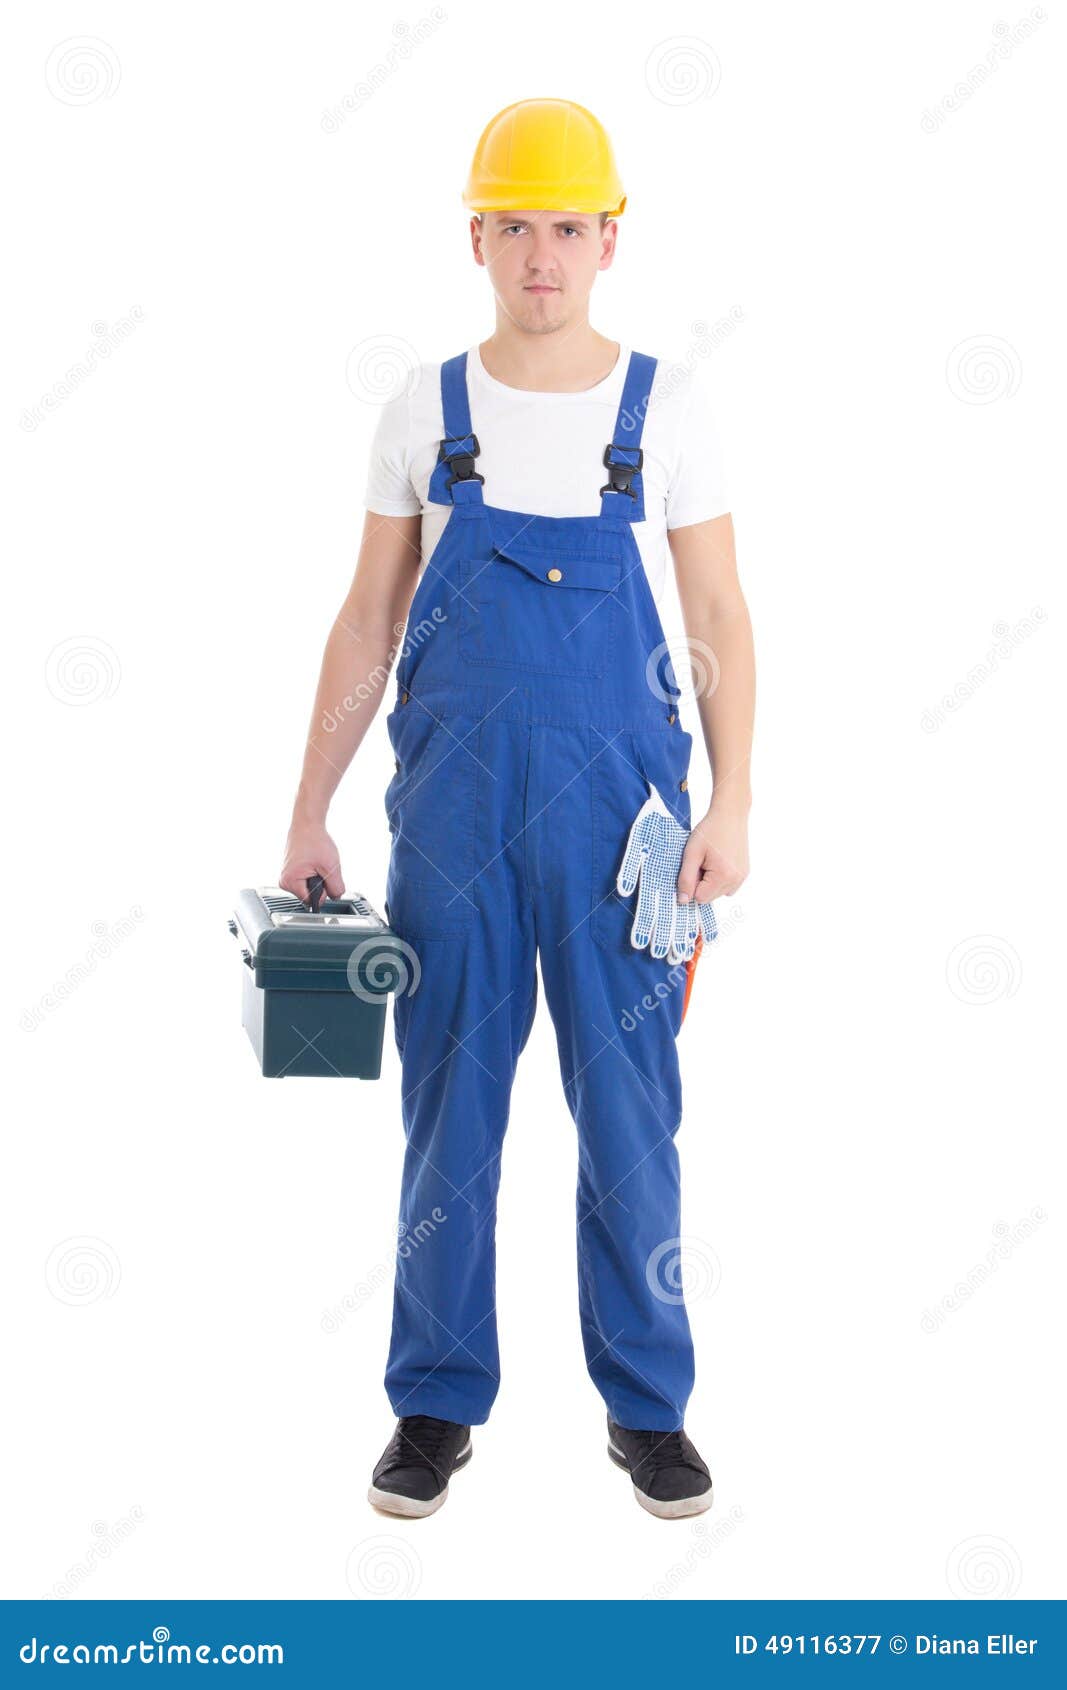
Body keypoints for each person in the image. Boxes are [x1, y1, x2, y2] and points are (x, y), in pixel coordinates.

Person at [280, 98, 755, 1520]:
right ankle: (433, 1403)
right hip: (453, 825)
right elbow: (367, 620)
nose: (541, 253)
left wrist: (736, 800)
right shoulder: (424, 409)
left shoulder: (667, 407)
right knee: (450, 1116)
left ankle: (649, 1408)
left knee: (631, 1118)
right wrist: (307, 808)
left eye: (567, 226)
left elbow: (721, 609)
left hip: (628, 836)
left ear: (611, 239)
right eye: (515, 227)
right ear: (475, 238)